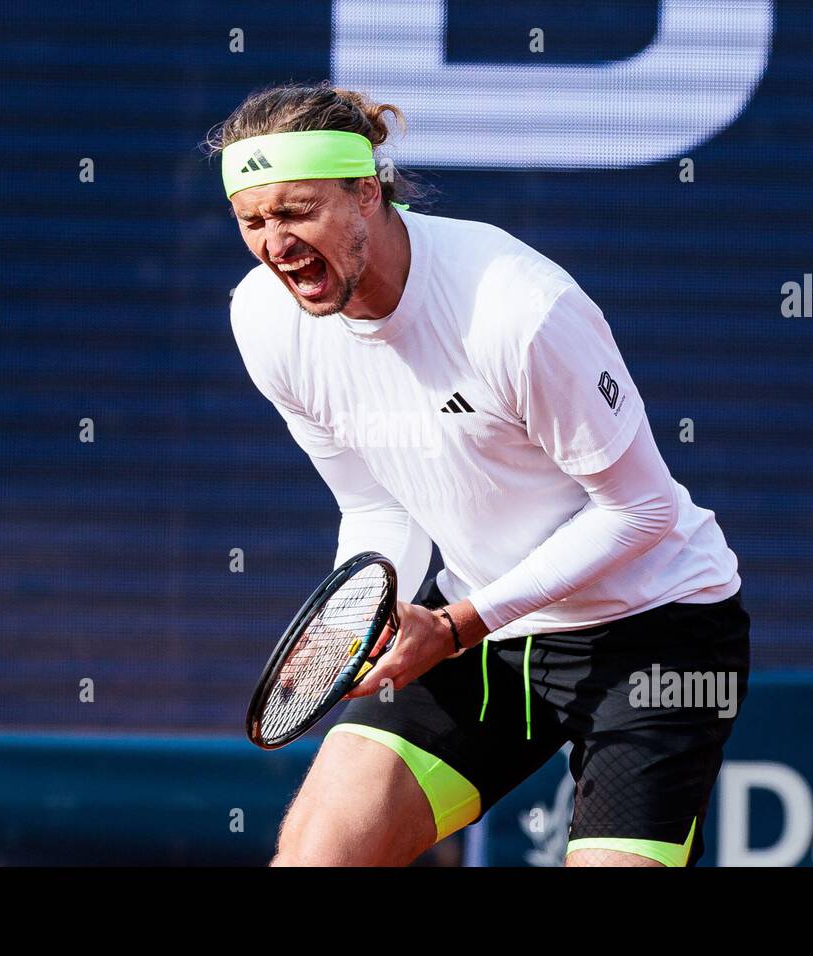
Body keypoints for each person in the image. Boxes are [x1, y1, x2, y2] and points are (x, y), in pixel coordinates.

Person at [209, 81, 750, 867]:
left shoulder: (516, 310)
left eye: (296, 211)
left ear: (366, 194)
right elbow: (375, 508)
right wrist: (368, 615)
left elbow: (640, 511)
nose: (275, 244)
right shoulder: (265, 318)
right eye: (253, 221)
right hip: (479, 630)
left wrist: (460, 625)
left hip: (655, 634)